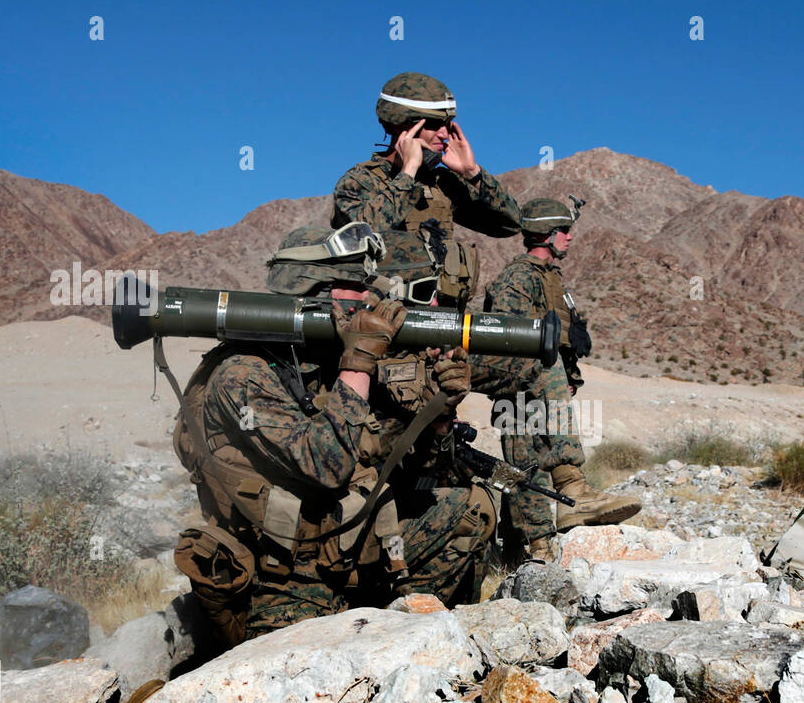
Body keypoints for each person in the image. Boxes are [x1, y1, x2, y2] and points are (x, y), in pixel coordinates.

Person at [171, 222, 493, 647]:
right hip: (281, 579)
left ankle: (423, 636)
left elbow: (395, 464)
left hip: (348, 549)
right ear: (310, 289)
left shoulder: (325, 364)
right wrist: (358, 364)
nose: (366, 297)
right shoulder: (243, 372)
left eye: (366, 284)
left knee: (471, 508)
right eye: (350, 285)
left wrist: (436, 413)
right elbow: (324, 465)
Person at [473, 198, 641, 562]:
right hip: (518, 387)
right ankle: (539, 544)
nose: (570, 238)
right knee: (523, 467)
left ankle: (528, 548)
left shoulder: (551, 279)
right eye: (564, 231)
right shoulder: (518, 277)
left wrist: (568, 376)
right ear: (546, 235)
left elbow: (560, 334)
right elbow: (505, 338)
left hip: (539, 385)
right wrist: (540, 377)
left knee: (523, 467)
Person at [332, 72, 521, 244]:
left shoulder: (440, 183)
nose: (445, 134)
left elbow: (509, 225)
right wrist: (408, 172)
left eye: (447, 124)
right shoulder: (359, 181)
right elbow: (358, 237)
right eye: (434, 124)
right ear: (401, 125)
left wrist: (473, 174)